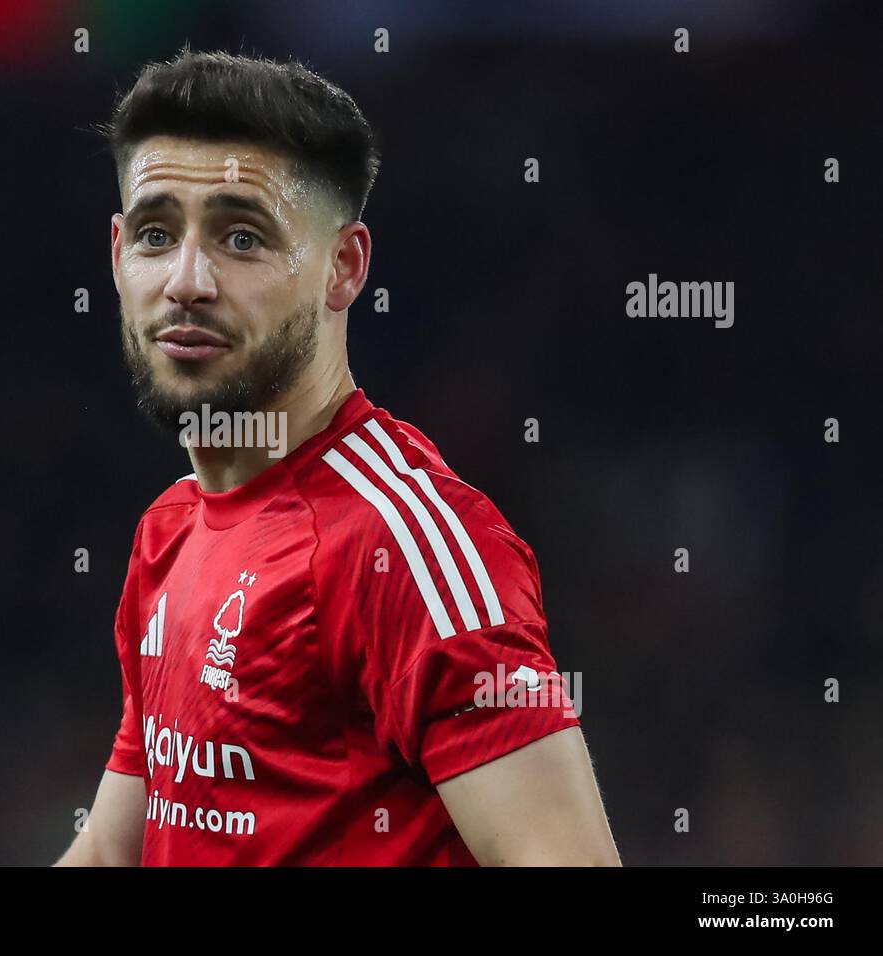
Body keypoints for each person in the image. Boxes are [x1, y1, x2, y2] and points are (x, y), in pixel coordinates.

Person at [56, 49, 619, 866]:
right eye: (154, 233)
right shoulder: (168, 534)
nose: (185, 281)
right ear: (116, 257)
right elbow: (111, 852)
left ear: (343, 269)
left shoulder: (402, 543)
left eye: (241, 237)